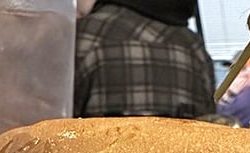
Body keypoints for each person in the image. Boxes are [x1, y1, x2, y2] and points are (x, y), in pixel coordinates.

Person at [74, 0, 216, 119]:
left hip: (93, 149)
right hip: (181, 150)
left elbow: (54, 126)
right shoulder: (194, 48)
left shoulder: (87, 36)